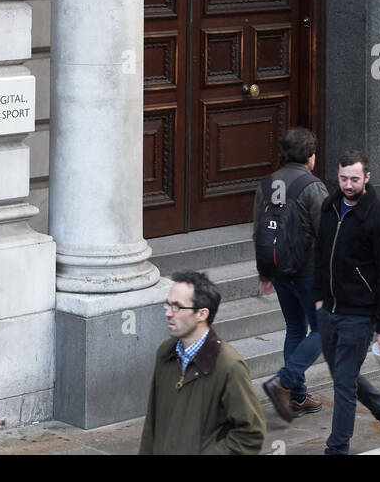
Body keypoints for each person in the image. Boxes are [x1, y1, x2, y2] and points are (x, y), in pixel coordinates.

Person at [313, 150, 380, 454]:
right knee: (344, 375)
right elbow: (321, 253)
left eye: (354, 179)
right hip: (328, 311)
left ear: (367, 177)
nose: (348, 184)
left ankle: (337, 448)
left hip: (359, 315)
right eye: (343, 178)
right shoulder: (330, 206)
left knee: (343, 384)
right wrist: (318, 297)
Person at [139, 269, 266, 455]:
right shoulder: (165, 354)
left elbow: (251, 434)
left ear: (202, 314)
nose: (168, 313)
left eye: (177, 307)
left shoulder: (229, 365)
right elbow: (152, 423)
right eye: (167, 305)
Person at [256, 126, 328, 421]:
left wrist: (265, 273)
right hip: (308, 271)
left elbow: (258, 230)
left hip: (278, 269)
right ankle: (284, 381)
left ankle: (296, 397)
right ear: (310, 156)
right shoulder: (312, 186)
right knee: (326, 328)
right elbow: (326, 235)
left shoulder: (267, 183)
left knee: (296, 329)